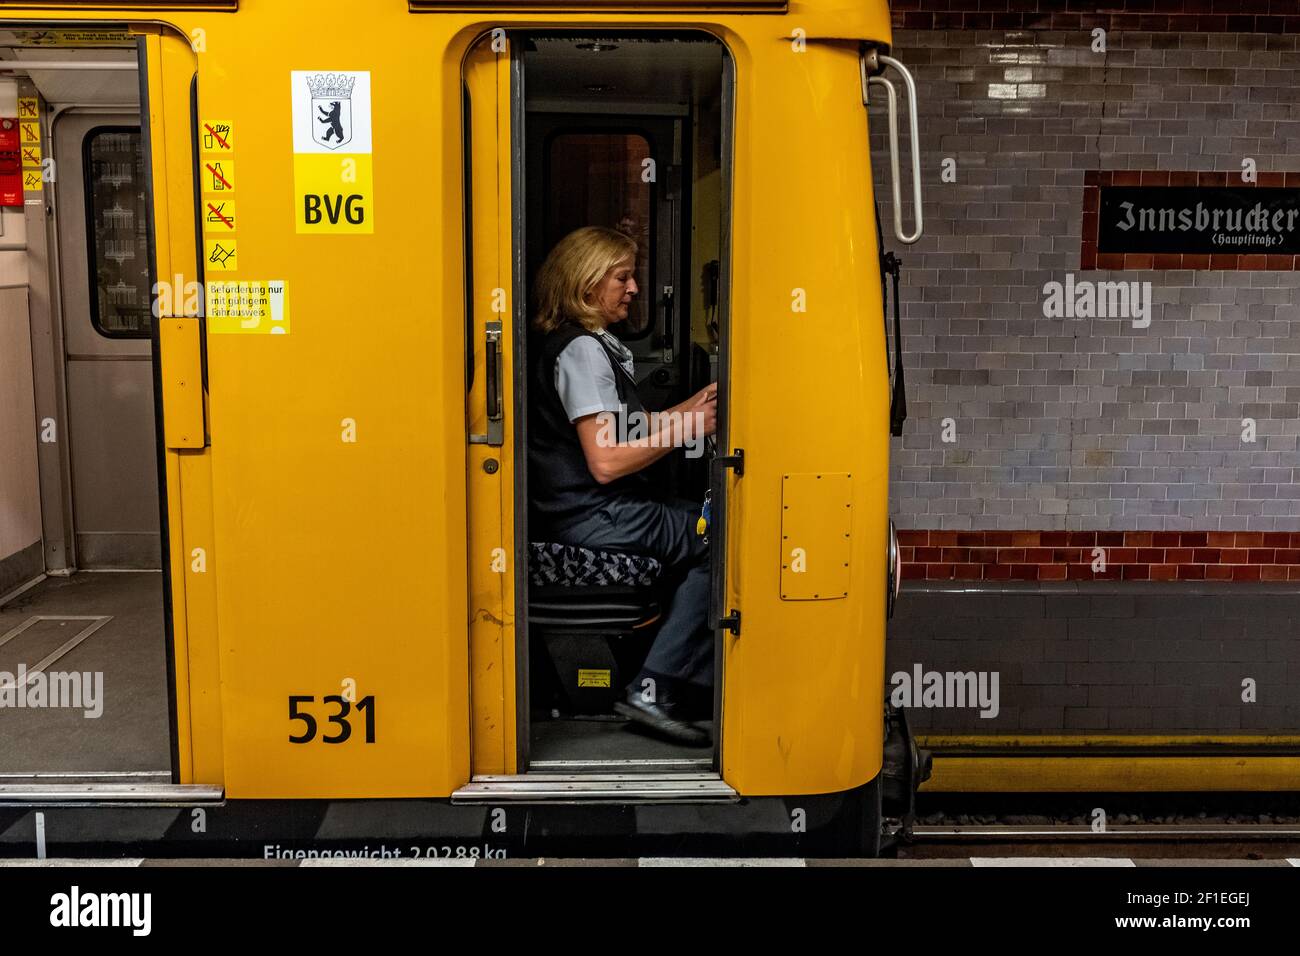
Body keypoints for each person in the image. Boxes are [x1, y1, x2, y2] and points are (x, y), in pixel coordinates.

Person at [528, 225, 718, 746]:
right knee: (722, 537)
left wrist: (692, 408)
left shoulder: (580, 345)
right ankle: (655, 688)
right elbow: (608, 461)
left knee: (703, 519)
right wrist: (690, 429)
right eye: (622, 277)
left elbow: (622, 429)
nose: (634, 289)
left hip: (589, 509)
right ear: (587, 284)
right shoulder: (583, 352)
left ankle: (675, 676)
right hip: (592, 515)